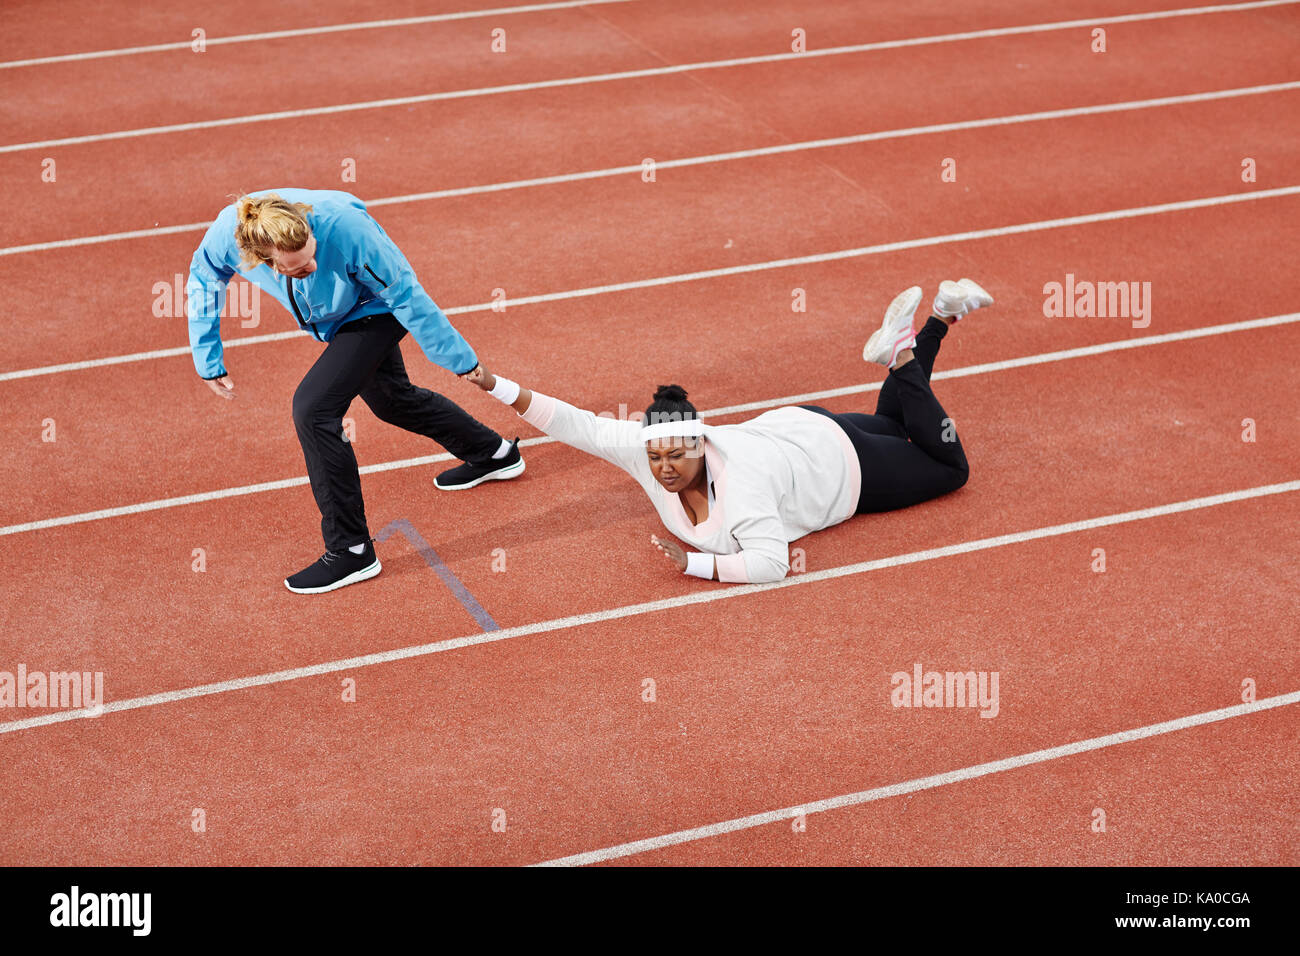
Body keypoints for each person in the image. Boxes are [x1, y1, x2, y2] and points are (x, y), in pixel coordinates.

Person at [459, 281, 992, 583]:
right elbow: (572, 423)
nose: (663, 467)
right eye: (657, 456)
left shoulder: (743, 489)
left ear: (701, 444)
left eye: (676, 457)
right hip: (801, 428)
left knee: (950, 467)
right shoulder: (648, 447)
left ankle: (905, 356)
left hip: (843, 468)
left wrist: (692, 563)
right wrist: (493, 385)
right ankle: (941, 315)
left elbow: (772, 563)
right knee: (904, 423)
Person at [185, 188, 523, 594]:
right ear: (263, 259)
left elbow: (406, 294)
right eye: (296, 268)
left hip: (376, 307)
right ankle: (493, 454)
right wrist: (207, 358)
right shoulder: (229, 236)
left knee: (313, 410)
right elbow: (204, 278)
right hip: (335, 319)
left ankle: (351, 550)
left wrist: (460, 360)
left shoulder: (348, 230)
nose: (309, 266)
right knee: (391, 401)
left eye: (312, 256)